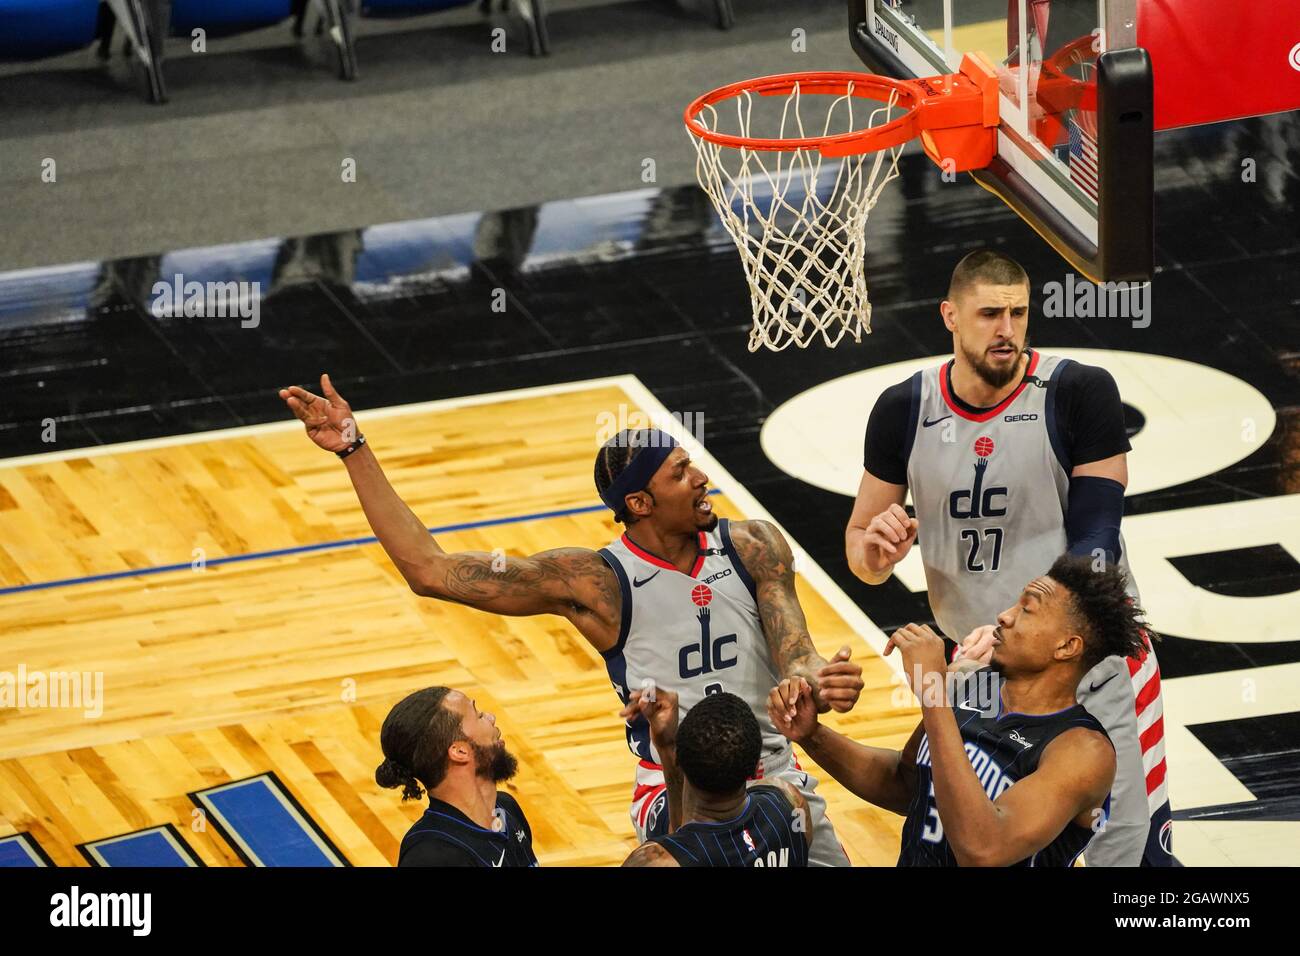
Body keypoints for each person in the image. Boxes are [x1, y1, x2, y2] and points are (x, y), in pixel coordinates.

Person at [279, 377, 861, 866]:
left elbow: (797, 653)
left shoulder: (754, 544)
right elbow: (431, 571)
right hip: (675, 786)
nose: (702, 478)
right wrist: (354, 448)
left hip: (774, 772)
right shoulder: (596, 583)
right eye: (681, 473)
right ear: (640, 503)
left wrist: (819, 678)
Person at [844, 249, 1174, 866]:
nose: (1007, 331)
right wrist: (875, 551)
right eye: (990, 313)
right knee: (964, 837)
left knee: (1124, 852)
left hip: (1085, 664)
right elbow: (862, 551)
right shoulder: (902, 409)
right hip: (978, 669)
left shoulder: (1078, 390)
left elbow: (1096, 542)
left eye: (1018, 314)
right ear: (950, 315)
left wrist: (1031, 637)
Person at [772, 556, 1147, 866]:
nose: (1004, 615)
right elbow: (906, 785)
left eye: (1027, 610)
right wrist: (812, 735)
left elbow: (985, 849)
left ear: (1066, 646)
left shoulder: (1082, 751)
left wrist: (934, 692)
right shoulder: (976, 685)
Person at [621, 688, 811, 867]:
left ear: (681, 759)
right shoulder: (792, 803)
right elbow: (687, 837)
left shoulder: (657, 861)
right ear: (756, 768)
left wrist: (666, 748)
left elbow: (688, 842)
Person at [376, 686, 537, 867]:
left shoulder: (507, 809)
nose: (491, 717)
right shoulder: (432, 858)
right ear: (460, 751)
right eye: (478, 716)